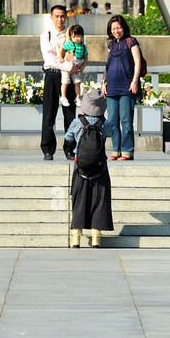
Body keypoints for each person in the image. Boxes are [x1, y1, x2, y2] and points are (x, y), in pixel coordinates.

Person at [63, 90, 114, 247]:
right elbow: (110, 133)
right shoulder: (104, 124)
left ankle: (75, 238)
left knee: (79, 200)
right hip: (100, 166)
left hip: (81, 167)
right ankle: (96, 236)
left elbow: (68, 139)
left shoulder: (77, 122)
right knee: (99, 200)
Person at [101, 14, 142, 161]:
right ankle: (115, 150)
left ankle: (127, 151)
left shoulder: (131, 41)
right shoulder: (111, 45)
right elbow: (108, 66)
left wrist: (135, 81)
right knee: (112, 120)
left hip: (127, 86)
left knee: (126, 120)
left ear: (123, 27)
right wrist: (103, 83)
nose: (116, 30)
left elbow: (138, 62)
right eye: (113, 28)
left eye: (119, 27)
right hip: (111, 87)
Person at [39, 3, 76, 160]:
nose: (60, 19)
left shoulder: (72, 35)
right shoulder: (46, 35)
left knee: (70, 114)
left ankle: (70, 148)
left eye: (63, 16)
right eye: (57, 16)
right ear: (51, 17)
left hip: (69, 77)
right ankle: (48, 149)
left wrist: (73, 64)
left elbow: (78, 54)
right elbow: (50, 58)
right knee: (49, 113)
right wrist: (68, 65)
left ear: (66, 17)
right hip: (53, 75)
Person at [60, 23, 88, 106]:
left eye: (78, 36)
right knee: (65, 81)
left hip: (78, 67)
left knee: (77, 82)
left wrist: (83, 67)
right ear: (71, 37)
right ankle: (63, 97)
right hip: (68, 66)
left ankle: (78, 97)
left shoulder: (83, 46)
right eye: (74, 37)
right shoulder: (70, 44)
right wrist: (61, 58)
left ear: (82, 36)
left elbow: (86, 58)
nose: (76, 39)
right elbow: (62, 48)